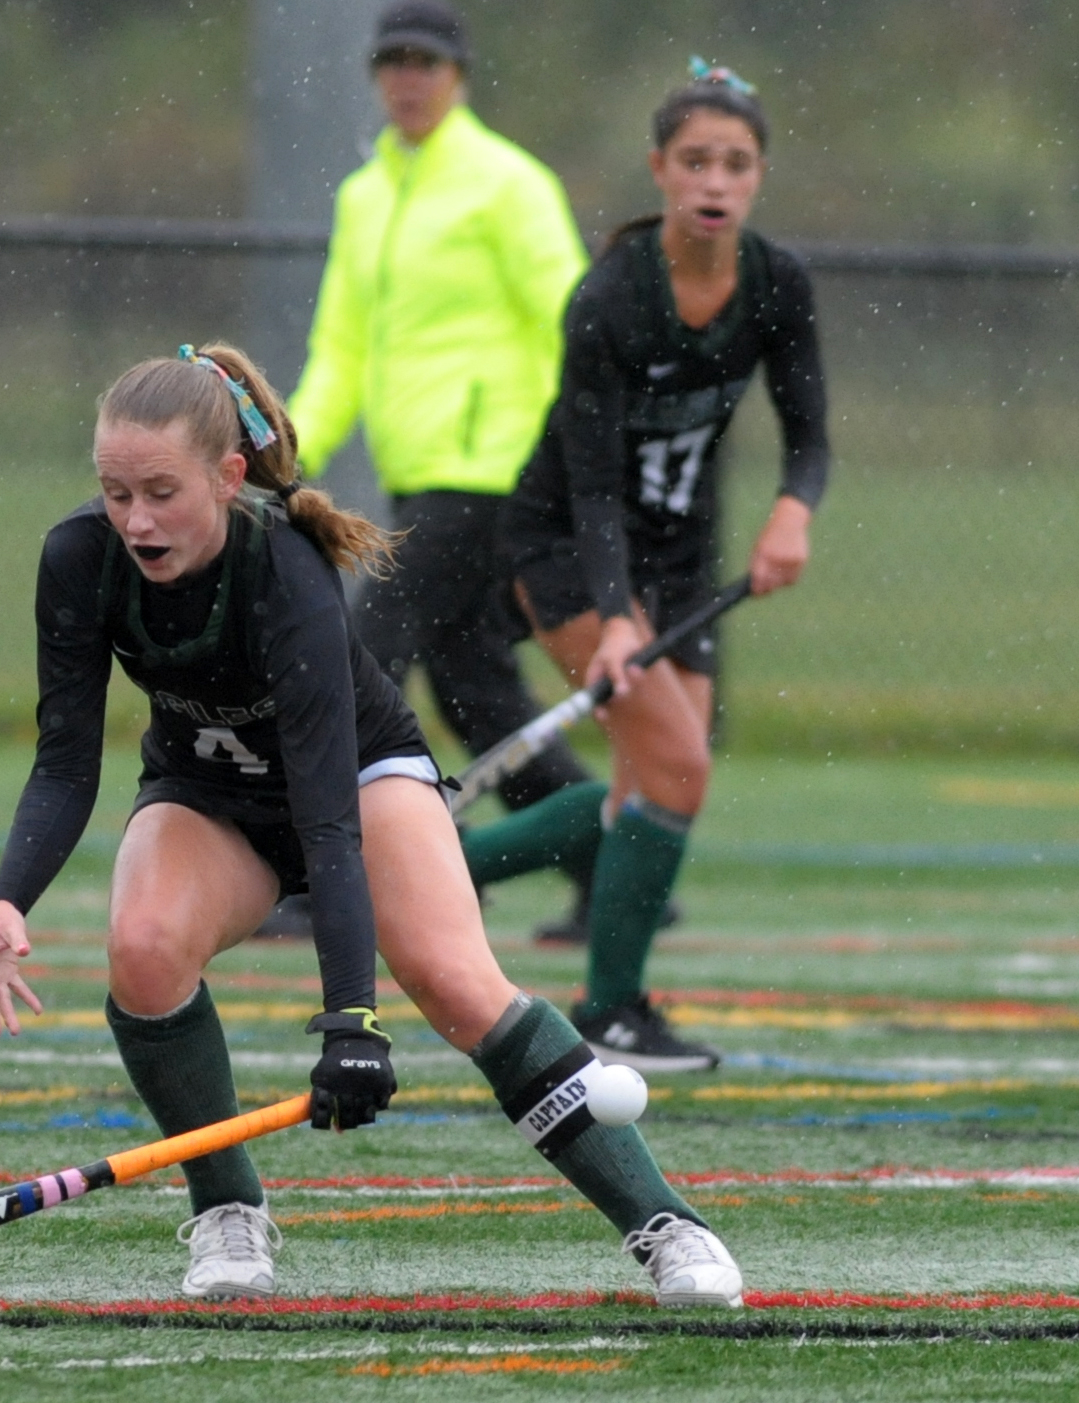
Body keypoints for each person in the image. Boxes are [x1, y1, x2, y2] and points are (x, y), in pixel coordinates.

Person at [0, 343, 743, 1308]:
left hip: (359, 780)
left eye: (161, 491)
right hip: (209, 793)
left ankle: (667, 1224)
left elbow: (328, 817)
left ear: (229, 476)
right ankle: (227, 1211)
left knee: (458, 984)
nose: (135, 519)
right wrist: (8, 899)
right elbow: (68, 758)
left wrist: (353, 1024)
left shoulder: (285, 568)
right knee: (145, 946)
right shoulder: (78, 559)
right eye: (116, 492)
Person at [470, 61, 829, 1072]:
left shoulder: (775, 283)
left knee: (648, 788)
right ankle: (611, 1007)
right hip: (566, 546)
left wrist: (792, 511)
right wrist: (616, 616)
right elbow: (589, 486)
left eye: (736, 163)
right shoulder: (608, 301)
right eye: (694, 161)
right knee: (677, 765)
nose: (714, 182)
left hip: (681, 554)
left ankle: (421, 873)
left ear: (758, 175)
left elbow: (809, 436)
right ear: (659, 170)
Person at [286, 0, 602, 944]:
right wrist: (279, 451)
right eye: (394, 62)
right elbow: (339, 348)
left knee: (357, 656)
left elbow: (574, 326)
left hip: (494, 476)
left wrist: (569, 466)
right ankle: (609, 859)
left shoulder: (509, 184)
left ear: (459, 73)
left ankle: (333, 876)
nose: (409, 80)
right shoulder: (365, 196)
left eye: (426, 62)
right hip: (420, 479)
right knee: (478, 696)